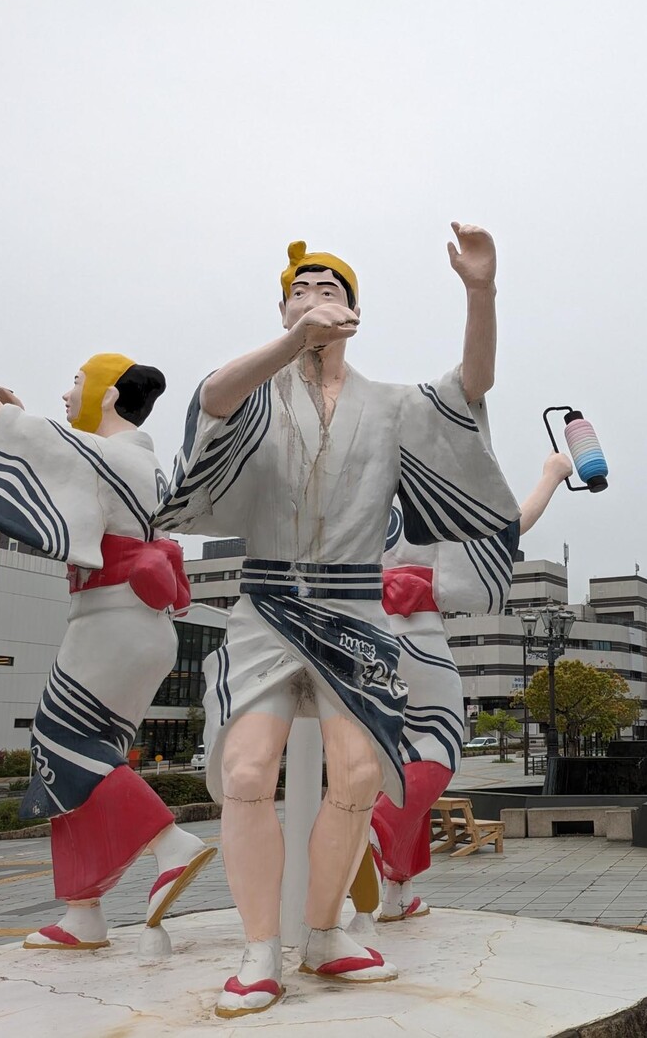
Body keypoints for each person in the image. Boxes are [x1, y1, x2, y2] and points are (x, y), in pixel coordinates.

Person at [153, 227, 518, 1017]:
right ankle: (259, 949)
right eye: (300, 289)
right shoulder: (256, 395)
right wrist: (290, 344)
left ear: (355, 312)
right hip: (267, 597)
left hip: (355, 605)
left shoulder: (390, 406)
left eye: (329, 289)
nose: (314, 297)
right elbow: (211, 399)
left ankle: (323, 931)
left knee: (356, 776)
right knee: (248, 771)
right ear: (283, 309)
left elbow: (470, 389)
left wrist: (479, 291)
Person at [0, 323, 215, 950]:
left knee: (59, 739)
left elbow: (1, 427)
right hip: (144, 625)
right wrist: (28, 418)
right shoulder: (147, 464)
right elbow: (62, 456)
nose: (67, 392)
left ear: (102, 393)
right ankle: (82, 910)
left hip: (110, 619)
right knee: (83, 762)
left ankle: (168, 843)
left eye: (75, 381)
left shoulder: (107, 453)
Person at [368, 451, 573, 923]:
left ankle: (398, 890)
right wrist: (552, 475)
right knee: (440, 749)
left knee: (396, 762)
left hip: (362, 637)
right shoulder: (433, 498)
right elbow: (512, 527)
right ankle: (375, 832)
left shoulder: (365, 497)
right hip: (415, 631)